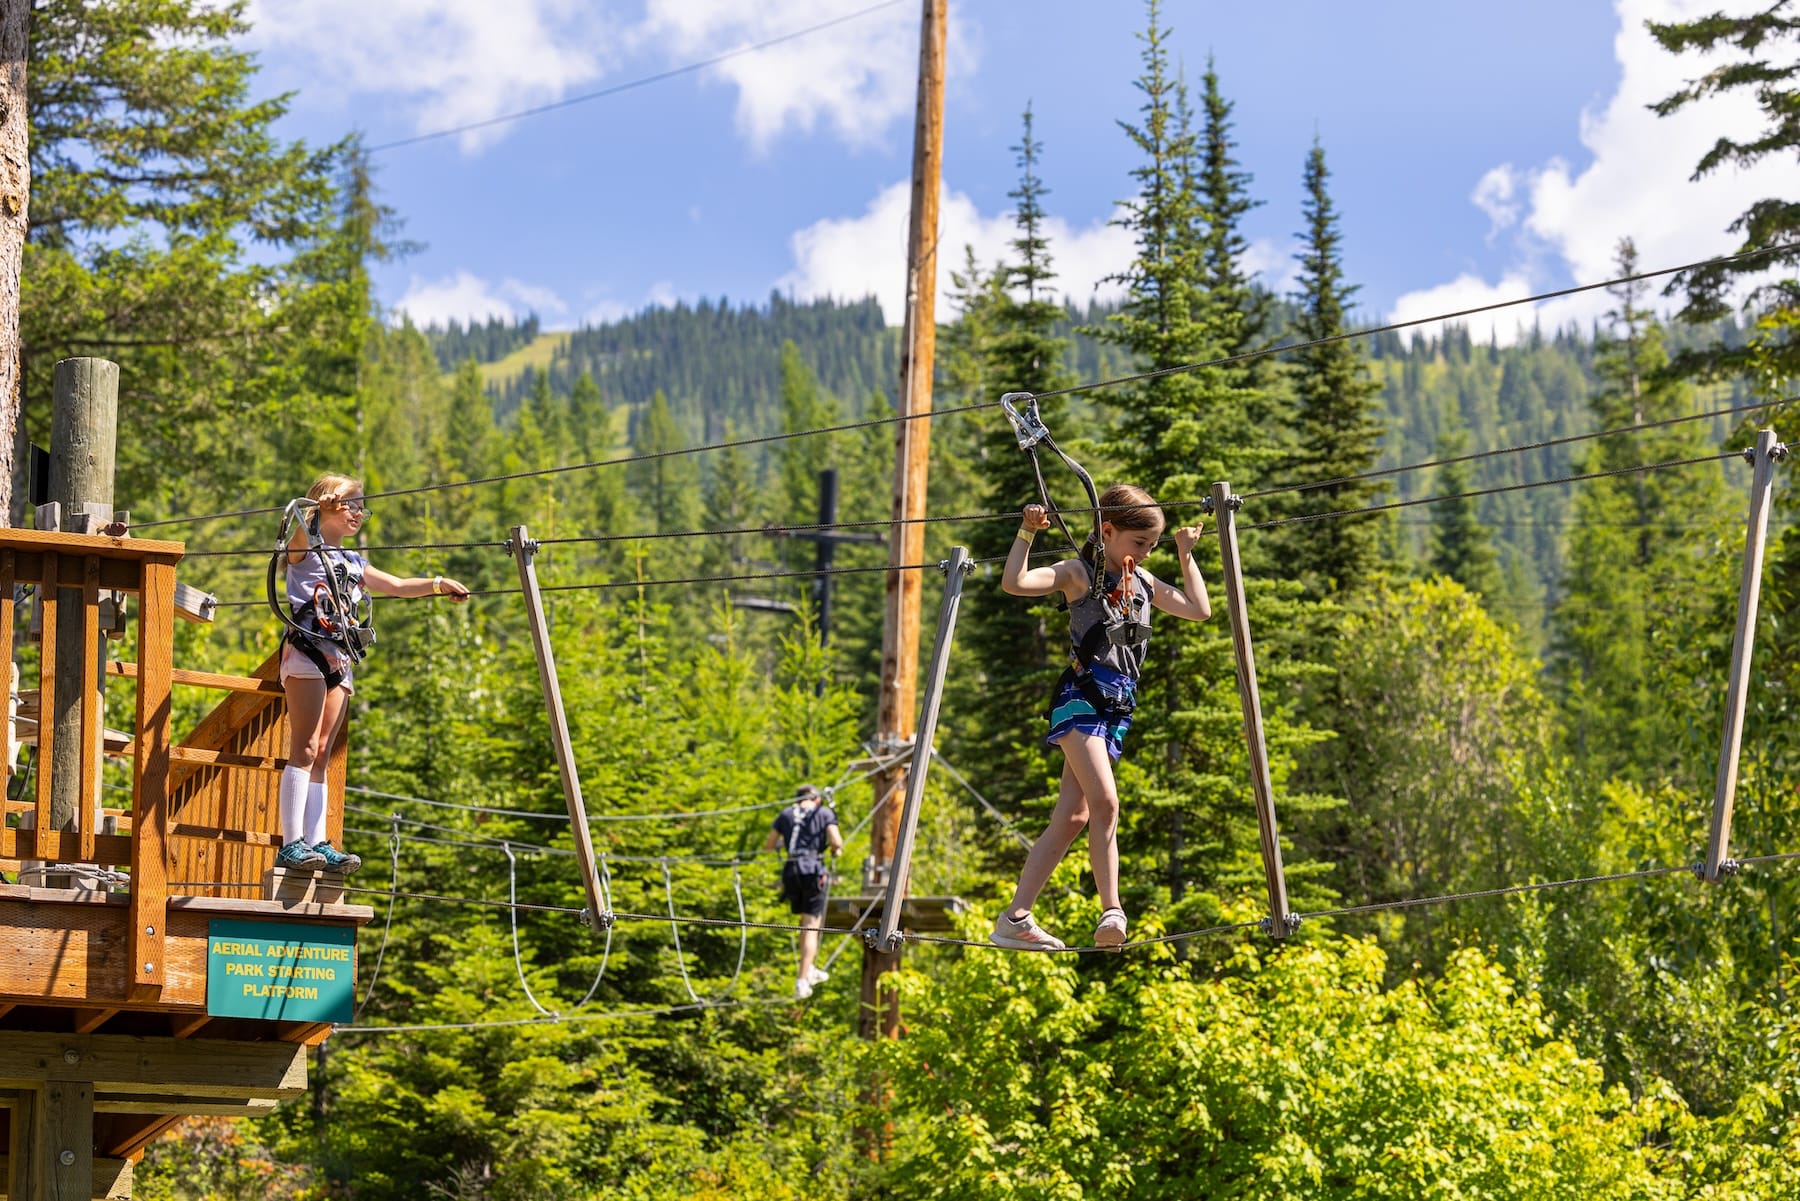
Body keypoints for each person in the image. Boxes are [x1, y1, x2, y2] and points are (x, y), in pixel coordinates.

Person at [990, 484, 1212, 951]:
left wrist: (1185, 555)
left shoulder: (1145, 584)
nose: (1145, 554)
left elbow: (1199, 610)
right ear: (1107, 531)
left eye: (1151, 547)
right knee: (1106, 804)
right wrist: (1027, 532)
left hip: (1115, 709)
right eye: (1139, 544)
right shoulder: (1077, 574)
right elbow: (1015, 583)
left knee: (1073, 816)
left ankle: (1015, 917)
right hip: (1081, 699)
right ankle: (1112, 910)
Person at [275, 474, 470, 873]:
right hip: (308, 654)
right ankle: (290, 842)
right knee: (305, 747)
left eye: (362, 506)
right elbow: (296, 539)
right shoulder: (306, 552)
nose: (358, 513)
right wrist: (317, 511)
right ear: (326, 506)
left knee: (323, 754)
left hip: (339, 660)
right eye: (351, 504)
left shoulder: (354, 563)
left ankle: (316, 842)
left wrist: (437, 583)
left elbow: (396, 585)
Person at [763, 783, 844, 998]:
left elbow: (769, 845)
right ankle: (802, 979)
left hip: (791, 872)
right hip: (813, 870)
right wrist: (836, 850)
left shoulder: (786, 813)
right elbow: (836, 840)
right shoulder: (823, 812)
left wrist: (788, 842)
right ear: (817, 798)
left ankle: (807, 969)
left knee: (804, 925)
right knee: (811, 926)